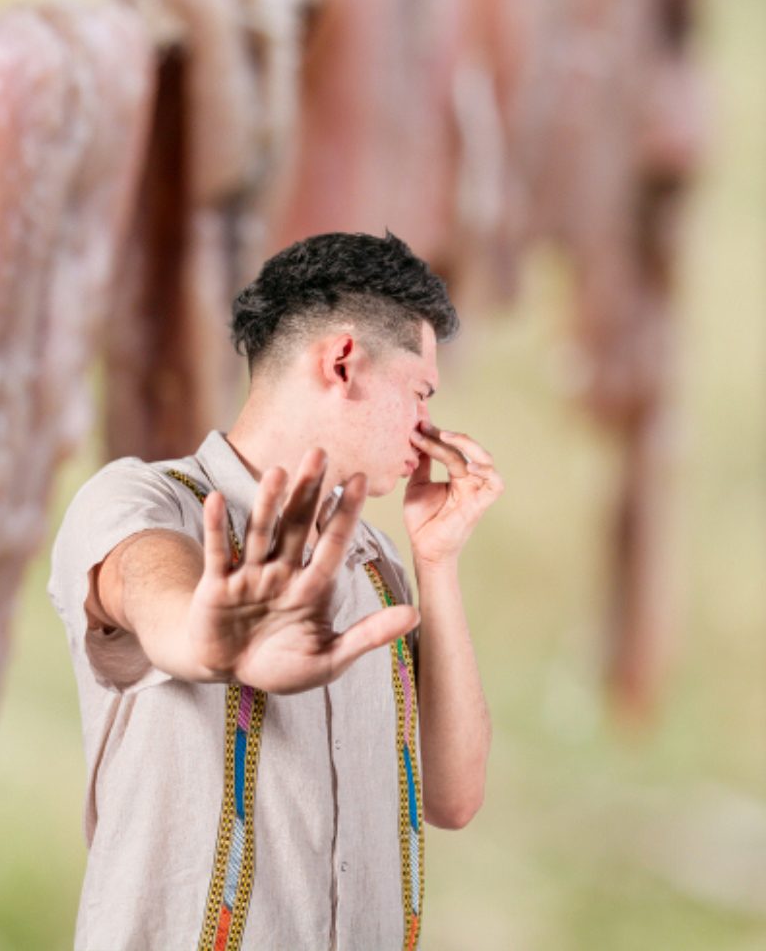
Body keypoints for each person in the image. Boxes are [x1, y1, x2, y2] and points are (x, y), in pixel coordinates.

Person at [47, 231, 498, 950]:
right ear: (343, 362)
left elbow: (453, 797)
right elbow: (144, 581)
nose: (428, 427)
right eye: (420, 392)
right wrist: (206, 637)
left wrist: (436, 561)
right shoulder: (145, 500)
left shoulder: (379, 567)